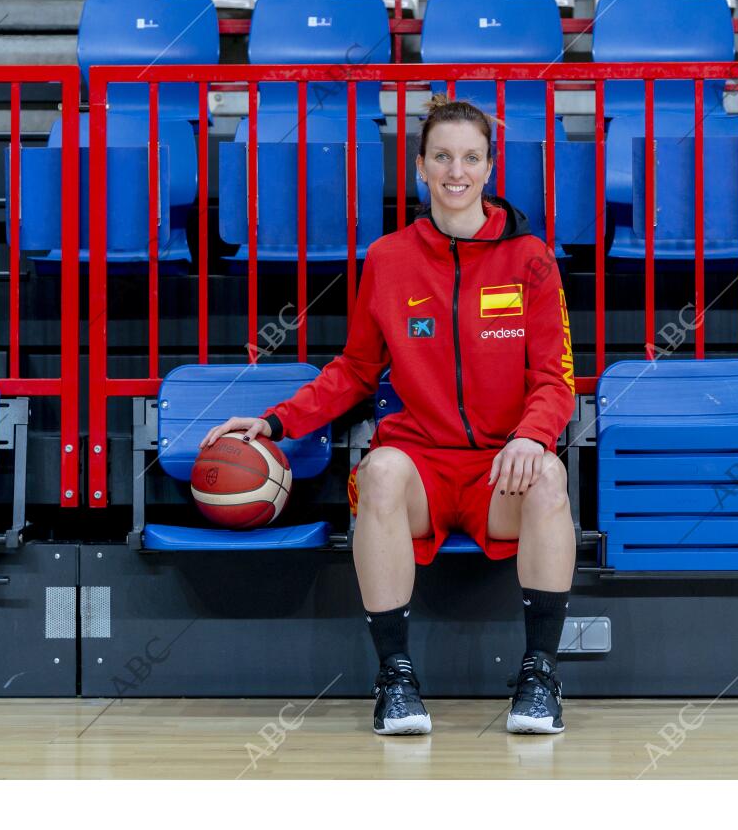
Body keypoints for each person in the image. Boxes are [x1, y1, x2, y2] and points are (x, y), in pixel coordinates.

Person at [201, 94, 577, 735]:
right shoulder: (388, 259)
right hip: (422, 467)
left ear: (489, 169)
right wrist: (275, 422)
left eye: (471, 158)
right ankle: (396, 679)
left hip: (497, 472)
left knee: (547, 475)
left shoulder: (531, 259)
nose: (456, 171)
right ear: (420, 168)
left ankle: (540, 674)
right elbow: (353, 370)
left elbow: (555, 379)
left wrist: (531, 437)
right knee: (378, 473)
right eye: (442, 157)